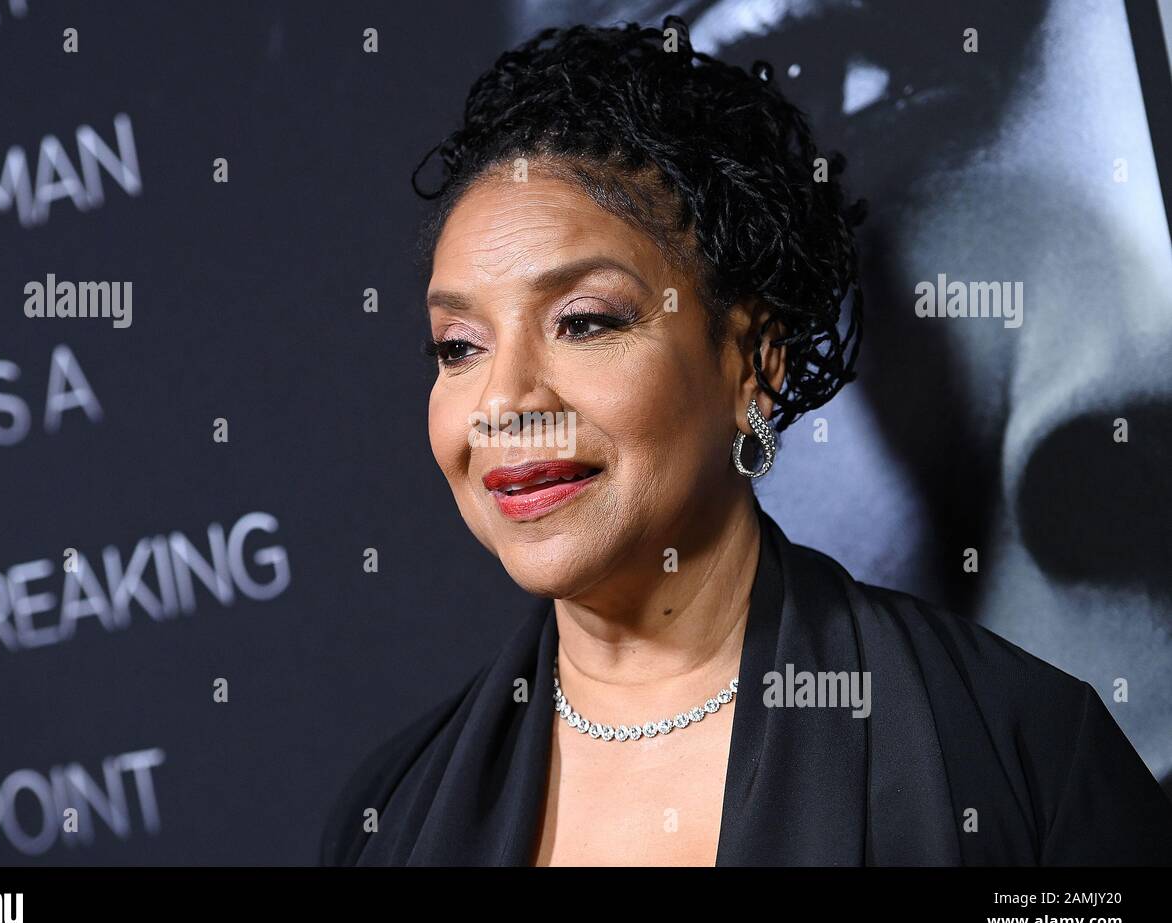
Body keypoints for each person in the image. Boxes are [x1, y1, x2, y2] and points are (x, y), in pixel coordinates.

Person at [317, 15, 1172, 865]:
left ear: (752, 363)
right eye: (458, 348)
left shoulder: (1024, 759)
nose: (503, 402)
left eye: (583, 322)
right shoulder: (388, 820)